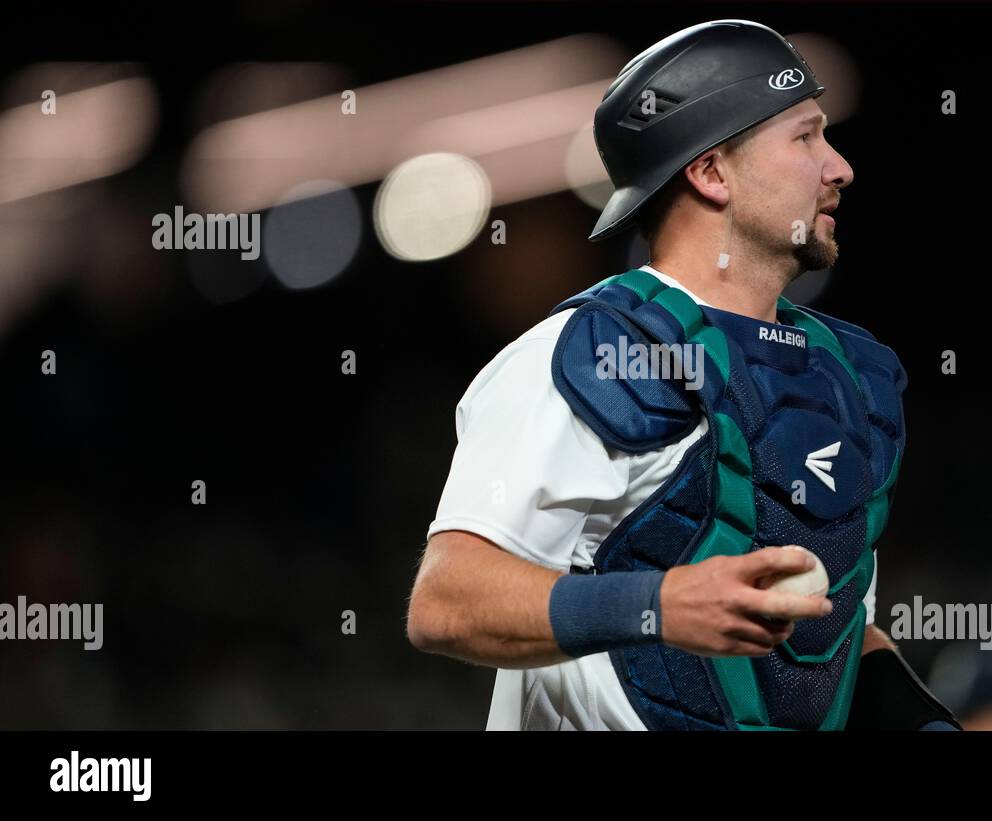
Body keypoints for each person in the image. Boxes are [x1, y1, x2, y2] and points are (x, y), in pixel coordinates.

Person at [407, 19, 959, 731]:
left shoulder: (852, 377)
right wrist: (659, 605)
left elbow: (831, 636)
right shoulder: (592, 353)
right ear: (710, 172)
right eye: (804, 136)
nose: (839, 166)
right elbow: (446, 602)